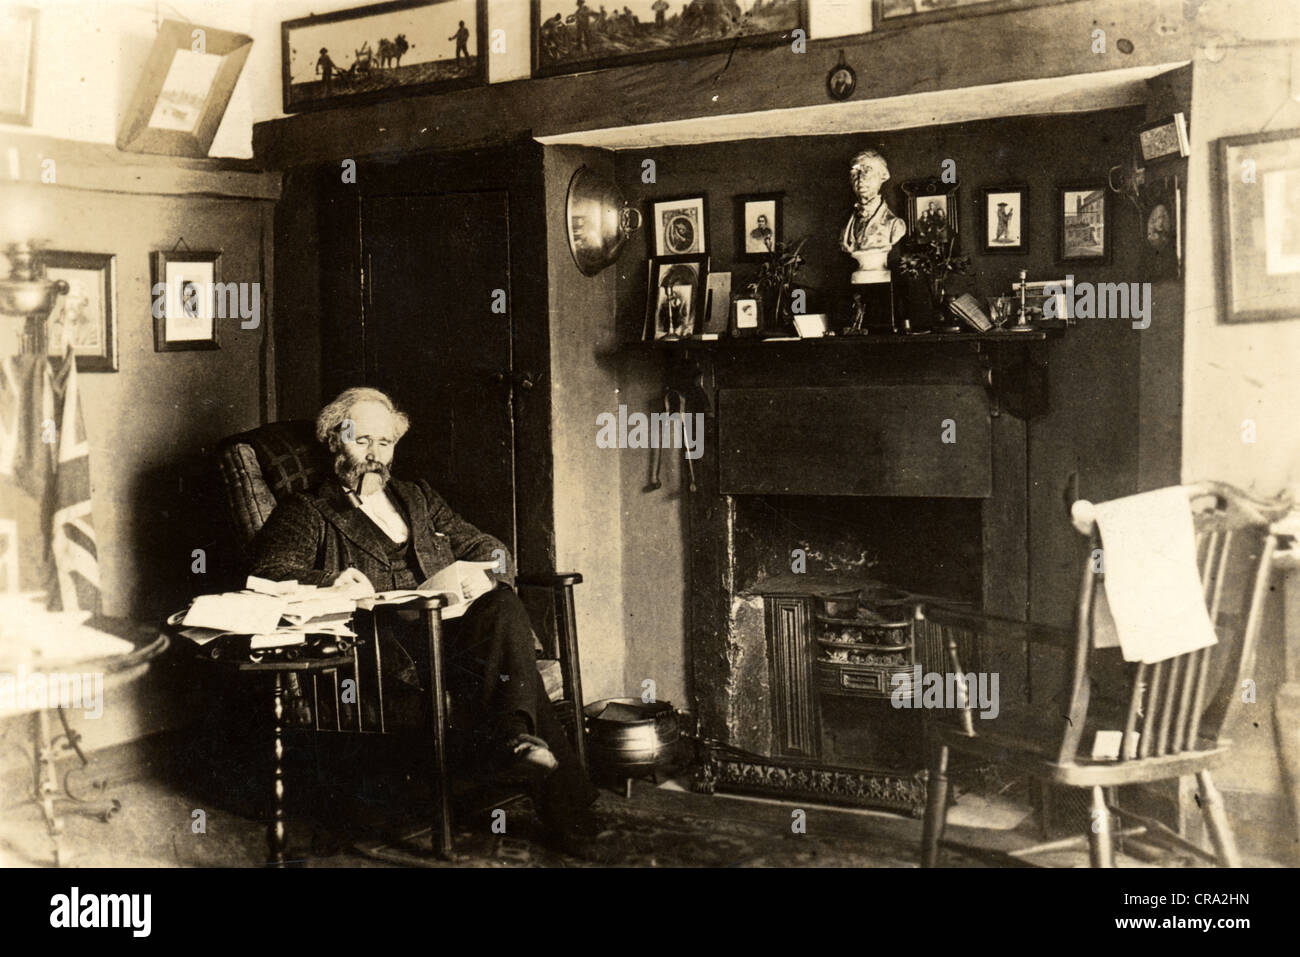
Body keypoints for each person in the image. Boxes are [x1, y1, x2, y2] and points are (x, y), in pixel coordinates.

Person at [251, 387, 600, 852]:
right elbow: (268, 572)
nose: (374, 455)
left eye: (385, 443)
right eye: (362, 441)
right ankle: (562, 803)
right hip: (381, 654)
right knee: (517, 673)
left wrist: (481, 577)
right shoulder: (309, 510)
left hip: (450, 639)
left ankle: (519, 742)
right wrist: (333, 581)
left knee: (502, 606)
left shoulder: (416, 497)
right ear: (335, 441)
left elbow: (487, 547)